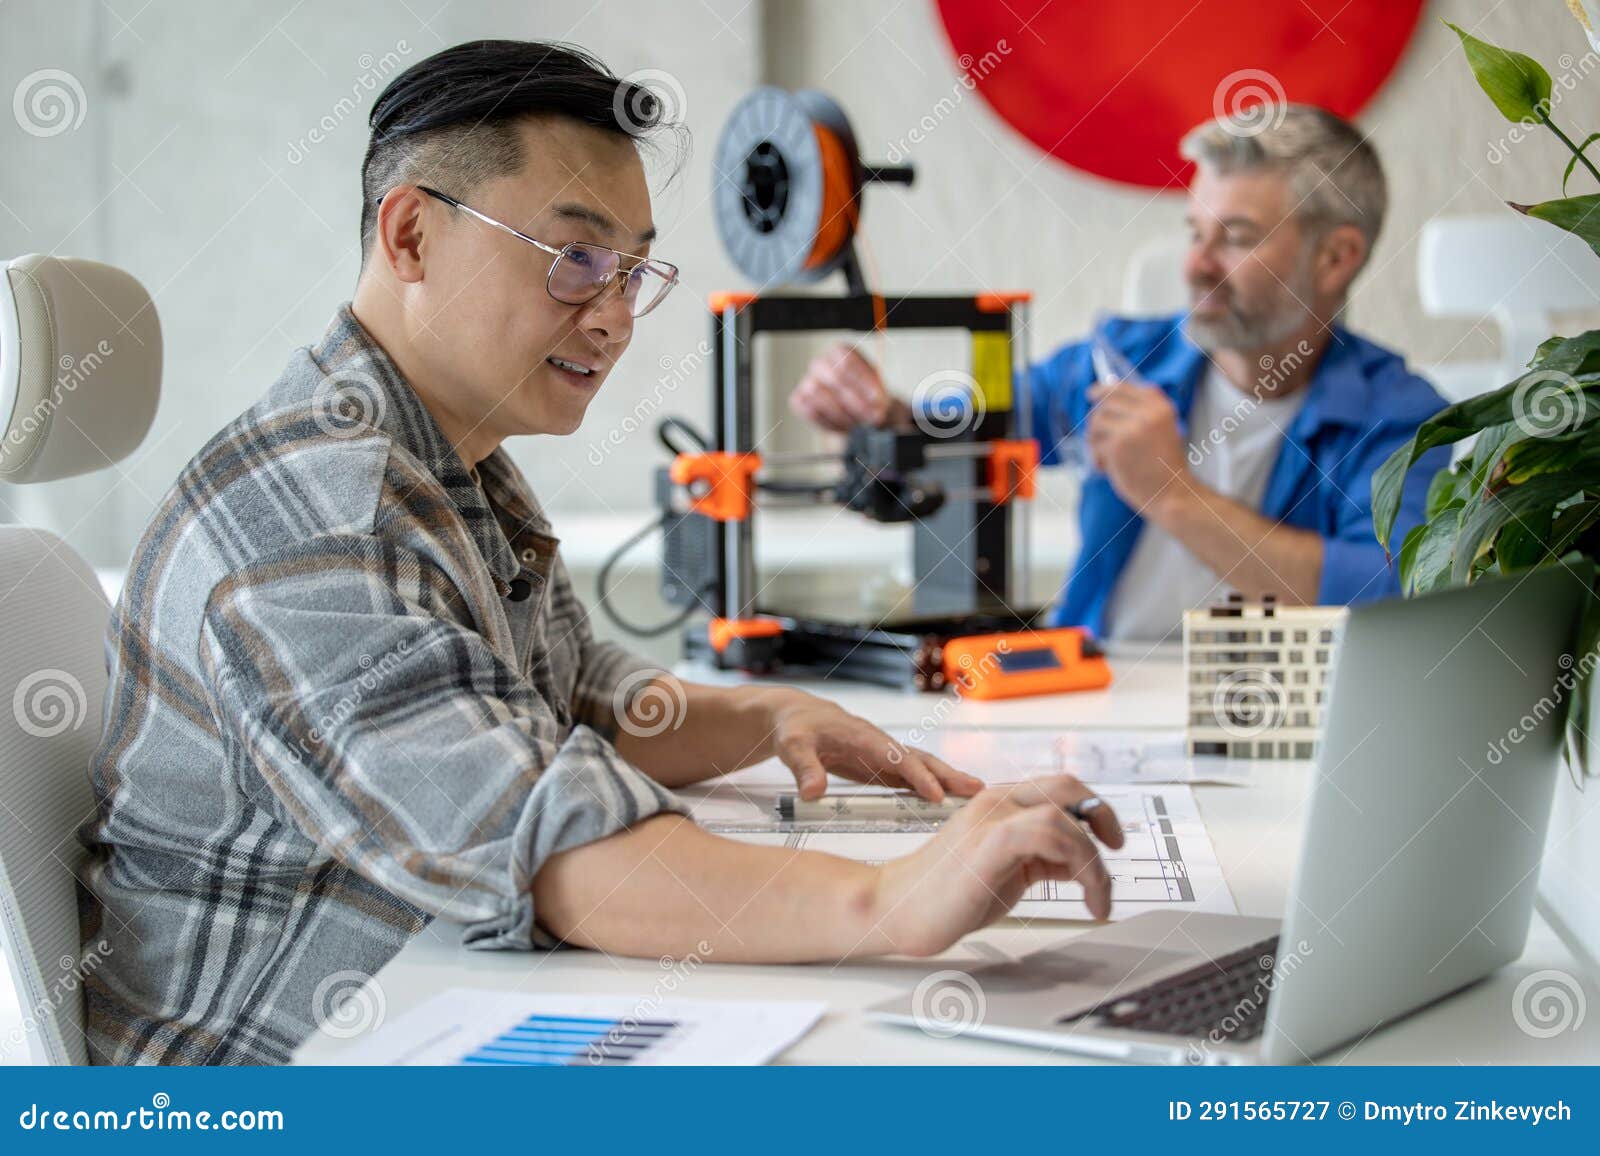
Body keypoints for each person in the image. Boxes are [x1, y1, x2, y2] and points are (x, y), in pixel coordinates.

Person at [76, 40, 1121, 1066]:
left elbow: (570, 699)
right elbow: (537, 837)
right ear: (411, 238)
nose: (616, 316)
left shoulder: (452, 457)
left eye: (632, 269)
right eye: (575, 259)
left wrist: (770, 715)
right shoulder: (315, 517)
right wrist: (890, 897)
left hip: (419, 1005)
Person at [789, 106, 1449, 642]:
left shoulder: (1400, 419)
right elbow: (970, 433)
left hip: (1276, 734)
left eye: (1238, 236)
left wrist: (1172, 494)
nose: (1197, 264)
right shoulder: (1120, 361)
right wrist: (882, 413)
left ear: (1336, 258)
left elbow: (1391, 596)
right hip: (1090, 700)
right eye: (1196, 231)